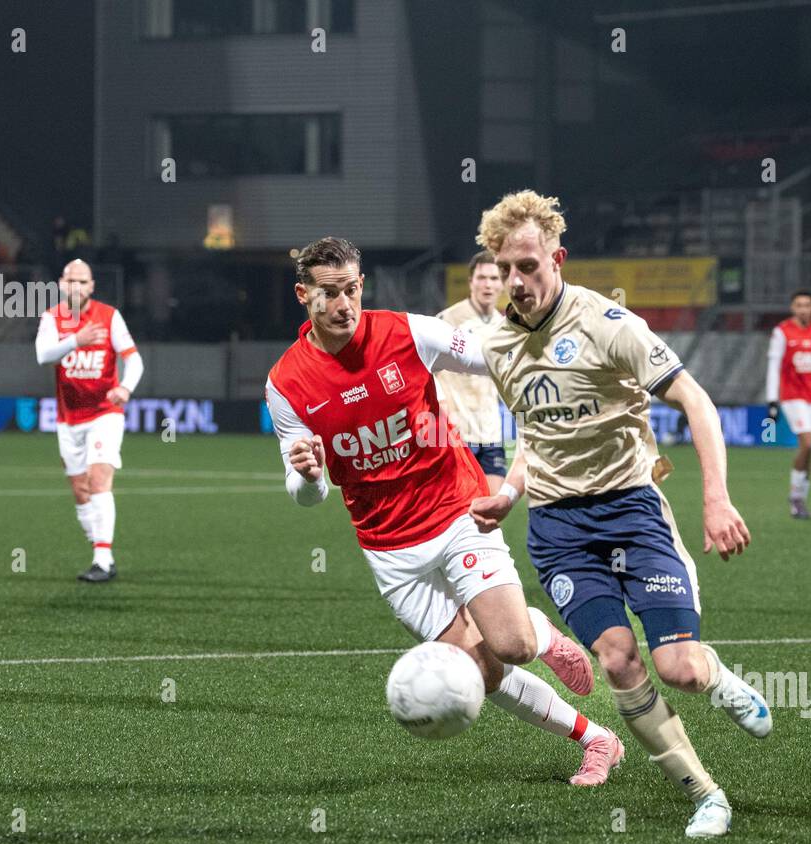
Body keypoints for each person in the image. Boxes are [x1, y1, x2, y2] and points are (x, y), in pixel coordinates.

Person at [266, 236, 623, 787]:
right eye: (329, 293)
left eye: (352, 290)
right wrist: (310, 475)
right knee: (483, 670)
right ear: (302, 293)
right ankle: (596, 739)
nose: (343, 305)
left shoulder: (407, 331)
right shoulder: (286, 383)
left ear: (363, 286)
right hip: (389, 549)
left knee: (514, 646)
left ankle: (543, 637)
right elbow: (304, 492)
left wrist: (558, 370)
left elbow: (493, 359)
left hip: (457, 511)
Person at [468, 191, 771, 838]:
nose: (515, 282)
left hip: (632, 510)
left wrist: (716, 498)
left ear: (558, 257)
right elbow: (537, 429)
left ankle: (715, 677)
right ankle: (705, 794)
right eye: (504, 269)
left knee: (678, 669)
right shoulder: (496, 345)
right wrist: (512, 491)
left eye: (528, 266)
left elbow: (696, 400)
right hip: (557, 528)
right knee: (617, 660)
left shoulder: (608, 323)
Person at [35, 258, 143, 582]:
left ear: (92, 286)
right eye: (71, 281)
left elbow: (133, 360)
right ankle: (98, 542)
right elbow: (43, 355)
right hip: (68, 419)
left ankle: (103, 559)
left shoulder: (109, 317)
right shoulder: (52, 318)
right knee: (81, 491)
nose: (77, 287)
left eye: (83, 282)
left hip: (104, 414)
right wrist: (76, 340)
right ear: (61, 284)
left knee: (98, 480)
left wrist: (125, 386)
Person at [435, 250, 507, 492]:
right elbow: (426, 367)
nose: (488, 285)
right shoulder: (449, 320)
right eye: (482, 278)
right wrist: (442, 406)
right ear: (471, 282)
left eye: (494, 278)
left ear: (502, 283)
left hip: (491, 430)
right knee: (462, 513)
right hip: (458, 433)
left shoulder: (504, 327)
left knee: (491, 511)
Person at [765, 290, 811, 518]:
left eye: (807, 304)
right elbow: (774, 366)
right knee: (806, 443)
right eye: (799, 304)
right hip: (792, 396)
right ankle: (795, 496)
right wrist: (772, 399)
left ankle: (800, 499)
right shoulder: (782, 332)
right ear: (792, 307)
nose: (803, 309)